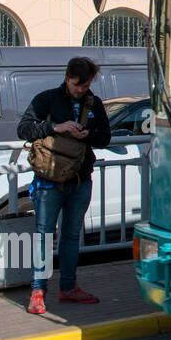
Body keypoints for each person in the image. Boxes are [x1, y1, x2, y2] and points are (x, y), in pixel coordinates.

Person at [17, 56, 111, 315]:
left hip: (80, 179)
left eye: (84, 84)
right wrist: (55, 127)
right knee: (44, 235)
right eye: (74, 83)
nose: (79, 89)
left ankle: (68, 288)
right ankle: (38, 291)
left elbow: (105, 137)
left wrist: (87, 135)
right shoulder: (47, 99)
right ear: (66, 77)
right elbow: (23, 129)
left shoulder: (95, 104)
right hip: (49, 180)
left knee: (70, 236)